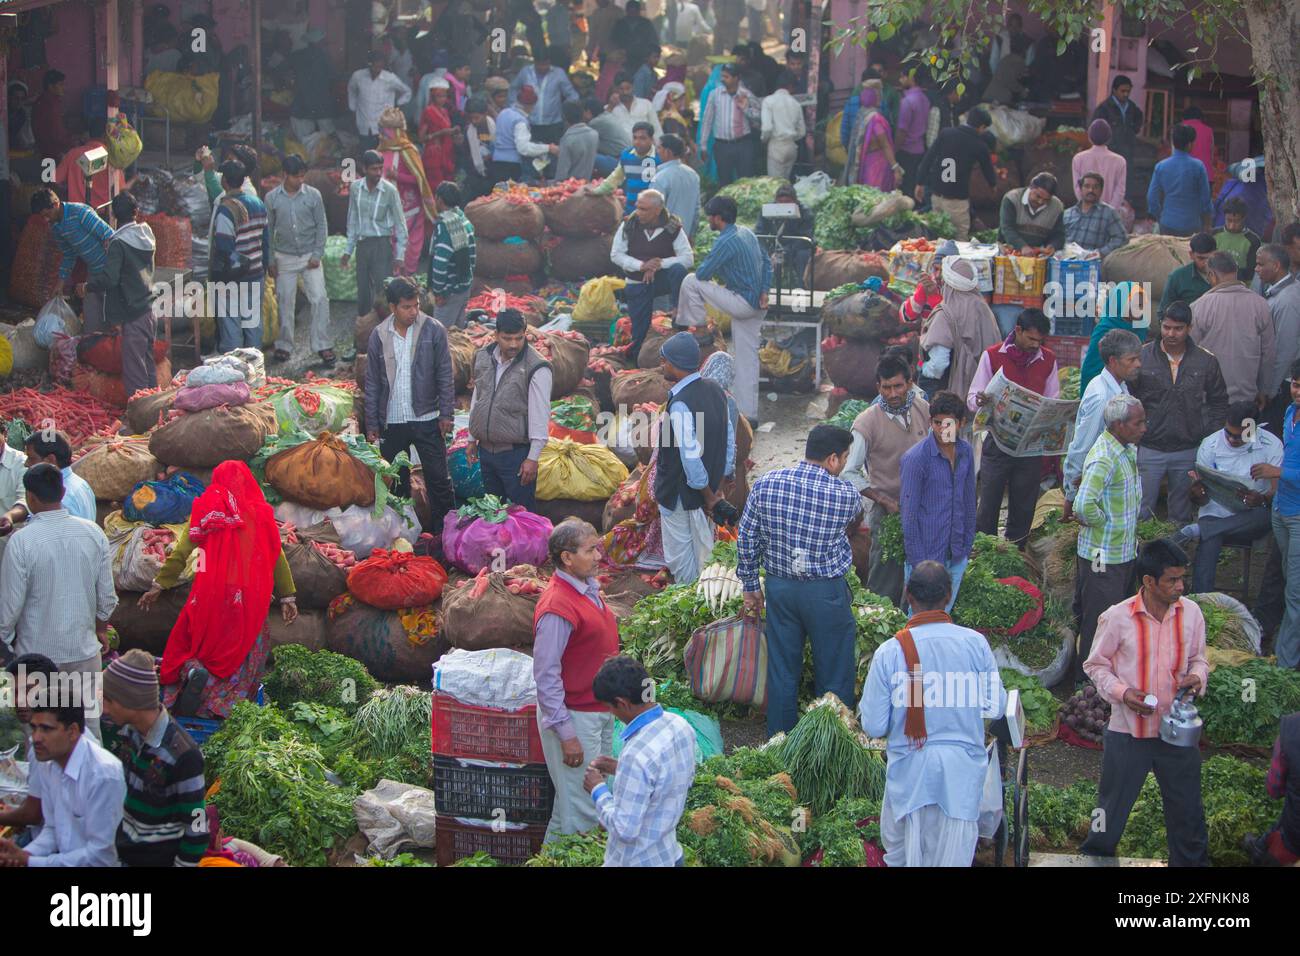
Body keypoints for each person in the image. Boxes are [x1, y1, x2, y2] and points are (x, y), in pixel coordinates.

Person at [860, 560, 1006, 867]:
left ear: (908, 595)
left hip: (909, 779)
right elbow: (995, 706)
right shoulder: (976, 644)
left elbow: (872, 726)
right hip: (961, 779)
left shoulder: (890, 651)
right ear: (948, 595)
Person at [1081, 538, 1209, 865]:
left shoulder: (1192, 614)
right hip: (1128, 732)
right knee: (1110, 810)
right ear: (1149, 581)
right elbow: (1095, 665)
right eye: (1172, 580)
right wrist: (1123, 693)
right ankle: (1095, 857)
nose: (1180, 586)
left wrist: (1197, 678)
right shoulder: (1117, 617)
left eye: (1183, 579)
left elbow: (1200, 660)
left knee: (1187, 812)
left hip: (1176, 733)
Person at [138, 462, 297, 718]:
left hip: (209, 595)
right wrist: (288, 596)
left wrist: (159, 584)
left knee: (195, 642)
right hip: (247, 598)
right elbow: (276, 556)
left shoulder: (207, 509)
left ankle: (192, 678)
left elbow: (182, 551)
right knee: (243, 648)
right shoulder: (261, 514)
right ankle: (221, 706)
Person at [738, 424, 862, 734]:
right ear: (833, 459)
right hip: (825, 593)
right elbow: (853, 521)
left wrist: (751, 586)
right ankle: (830, 742)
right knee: (834, 670)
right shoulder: (845, 494)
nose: (844, 464)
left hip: (781, 590)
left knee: (782, 669)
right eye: (845, 458)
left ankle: (780, 743)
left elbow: (747, 537)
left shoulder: (766, 484)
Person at [0, 465, 116, 741]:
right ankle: (91, 782)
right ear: (63, 492)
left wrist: (5, 644)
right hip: (83, 652)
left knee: (40, 734)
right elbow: (107, 597)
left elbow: (9, 608)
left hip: (36, 658)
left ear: (30, 497)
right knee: (87, 729)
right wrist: (100, 628)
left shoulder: (21, 542)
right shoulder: (93, 533)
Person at [533, 520, 620, 840]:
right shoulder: (558, 605)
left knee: (572, 806)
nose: (599, 556)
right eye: (590, 550)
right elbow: (545, 673)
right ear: (567, 558)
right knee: (584, 808)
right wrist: (565, 732)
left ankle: (549, 861)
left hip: (597, 711)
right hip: (575, 716)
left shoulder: (587, 589)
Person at [582, 655, 696, 866]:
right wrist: (621, 769)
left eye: (610, 707)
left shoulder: (636, 754)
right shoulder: (680, 725)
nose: (612, 714)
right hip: (670, 855)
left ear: (622, 703)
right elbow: (670, 779)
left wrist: (598, 790)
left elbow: (625, 829)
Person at [362, 277, 457, 530]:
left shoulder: (433, 330)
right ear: (393, 307)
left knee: (438, 478)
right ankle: (405, 532)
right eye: (406, 307)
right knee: (397, 480)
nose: (413, 312)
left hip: (426, 417)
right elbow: (372, 382)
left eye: (416, 305)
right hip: (392, 421)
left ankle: (445, 532)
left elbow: (445, 375)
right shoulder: (379, 335)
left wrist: (446, 413)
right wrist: (372, 422)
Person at [100, 649, 207, 867]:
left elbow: (197, 829)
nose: (104, 709)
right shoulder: (130, 734)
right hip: (123, 853)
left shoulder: (184, 756)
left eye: (108, 701)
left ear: (129, 702)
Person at [1129, 301, 1227, 526]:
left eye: (1178, 328)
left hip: (1188, 448)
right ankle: (1138, 557)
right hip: (1149, 446)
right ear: (1160, 326)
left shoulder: (1206, 361)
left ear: (1189, 328)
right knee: (1140, 510)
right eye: (1166, 327)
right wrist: (1134, 438)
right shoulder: (1142, 357)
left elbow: (1219, 402)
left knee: (1181, 514)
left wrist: (1208, 438)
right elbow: (1128, 398)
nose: (1171, 333)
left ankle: (1177, 557)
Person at [676, 196, 771, 423]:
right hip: (758, 303)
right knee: (747, 359)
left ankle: (698, 326)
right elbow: (767, 262)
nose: (709, 220)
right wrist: (764, 290)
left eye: (710, 216)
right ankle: (748, 415)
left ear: (718, 218)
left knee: (690, 280)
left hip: (743, 303)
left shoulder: (725, 240)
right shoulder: (747, 232)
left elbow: (703, 274)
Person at [968, 309, 1058, 546]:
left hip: (1030, 447)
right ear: (1017, 331)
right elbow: (972, 396)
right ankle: (985, 549)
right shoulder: (992, 356)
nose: (1035, 345)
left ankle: (1017, 551)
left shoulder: (1048, 359)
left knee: (1024, 504)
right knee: (988, 502)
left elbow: (1053, 398)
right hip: (997, 443)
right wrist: (979, 400)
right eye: (1031, 339)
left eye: (1040, 341)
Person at [1072, 394, 1145, 683]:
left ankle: (1106, 676)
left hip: (1123, 552)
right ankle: (1086, 682)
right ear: (1118, 425)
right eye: (1138, 423)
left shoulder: (1125, 450)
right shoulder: (1104, 456)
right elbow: (1082, 505)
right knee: (1098, 621)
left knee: (1115, 618)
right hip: (1103, 556)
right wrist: (1106, 523)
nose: (1144, 428)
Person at [0, 701, 125, 867]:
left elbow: (100, 857)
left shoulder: (103, 774)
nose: (35, 737)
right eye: (34, 728)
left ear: (72, 731)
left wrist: (29, 860)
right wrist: (21, 855)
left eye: (46, 729)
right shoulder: (48, 763)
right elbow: (53, 830)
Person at [852, 355, 932, 605]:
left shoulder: (925, 409)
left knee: (922, 572)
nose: (893, 393)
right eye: (886, 387)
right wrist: (882, 499)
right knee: (885, 575)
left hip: (923, 507)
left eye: (898, 386)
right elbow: (848, 472)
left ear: (909, 383)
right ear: (878, 387)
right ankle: (879, 624)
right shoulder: (866, 422)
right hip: (888, 511)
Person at [1180, 401, 1282, 594]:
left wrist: (1261, 499)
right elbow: (1202, 500)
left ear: (1253, 428)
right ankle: (1202, 601)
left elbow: (1276, 494)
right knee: (1211, 537)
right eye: (1229, 433)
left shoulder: (1271, 445)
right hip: (1215, 513)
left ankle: (1200, 530)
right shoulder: (1210, 444)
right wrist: (1197, 494)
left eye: (1239, 435)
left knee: (1265, 516)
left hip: (1252, 517)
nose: (1233, 439)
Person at [654, 332, 730, 585]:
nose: (661, 365)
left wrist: (707, 495)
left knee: (682, 560)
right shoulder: (716, 390)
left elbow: (690, 457)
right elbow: (729, 440)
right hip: (708, 491)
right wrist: (718, 487)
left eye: (663, 361)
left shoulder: (680, 403)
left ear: (674, 364)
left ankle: (689, 603)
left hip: (680, 495)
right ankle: (704, 602)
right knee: (704, 554)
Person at [466, 309, 554, 510]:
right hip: (487, 452)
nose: (513, 344)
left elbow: (540, 415)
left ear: (525, 334)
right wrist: (472, 438)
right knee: (493, 514)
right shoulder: (482, 357)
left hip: (516, 456)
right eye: (507, 338)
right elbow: (478, 397)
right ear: (495, 335)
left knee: (520, 516)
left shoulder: (537, 367)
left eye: (519, 338)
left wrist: (532, 458)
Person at [75, 192, 159, 398]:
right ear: (136, 212)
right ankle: (156, 409)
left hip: (132, 314)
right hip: (149, 309)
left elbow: (110, 279)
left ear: (113, 216)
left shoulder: (118, 243)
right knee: (147, 363)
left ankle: (139, 415)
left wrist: (87, 287)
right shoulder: (146, 234)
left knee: (134, 370)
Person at [899, 392, 976, 613]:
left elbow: (970, 501)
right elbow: (909, 517)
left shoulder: (966, 453)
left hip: (957, 553)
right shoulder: (915, 459)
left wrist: (966, 545)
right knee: (918, 623)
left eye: (949, 423)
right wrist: (919, 566)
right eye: (937, 423)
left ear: (962, 423)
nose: (942, 429)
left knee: (943, 617)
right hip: (925, 558)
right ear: (930, 422)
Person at [1064, 329, 1142, 513]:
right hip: (1099, 485)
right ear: (1114, 361)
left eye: (1138, 358)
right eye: (1132, 360)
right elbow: (1082, 446)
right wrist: (1071, 494)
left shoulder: (1119, 386)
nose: (1138, 364)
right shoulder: (1102, 396)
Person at [264, 156, 331, 367]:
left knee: (319, 298)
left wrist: (317, 254)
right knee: (285, 300)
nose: (300, 180)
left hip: (310, 255)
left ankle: (323, 344)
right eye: (296, 176)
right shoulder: (272, 198)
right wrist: (270, 260)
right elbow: (268, 232)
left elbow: (322, 226)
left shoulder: (313, 196)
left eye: (303, 175)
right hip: (284, 257)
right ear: (285, 174)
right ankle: (284, 345)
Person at [611, 189, 693, 359]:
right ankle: (636, 361)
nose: (638, 212)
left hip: (661, 280)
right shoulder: (629, 224)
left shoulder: (672, 226)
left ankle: (678, 312)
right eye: (638, 207)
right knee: (639, 333)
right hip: (637, 281)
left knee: (679, 270)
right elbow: (616, 255)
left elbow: (687, 259)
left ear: (657, 210)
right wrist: (642, 265)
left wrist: (658, 264)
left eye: (644, 209)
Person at [1190, 251, 1274, 406]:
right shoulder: (1260, 304)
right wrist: (1264, 390)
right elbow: (1268, 354)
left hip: (1210, 399)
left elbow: (1189, 355)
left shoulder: (1199, 307)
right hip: (1247, 398)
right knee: (1246, 431)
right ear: (1236, 271)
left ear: (1211, 275)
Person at [917, 258, 1002, 402]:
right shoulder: (983, 308)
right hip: (981, 388)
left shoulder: (946, 312)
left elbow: (938, 364)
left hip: (948, 389)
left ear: (948, 282)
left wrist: (924, 371)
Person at [30, 188, 113, 334]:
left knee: (113, 323)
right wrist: (60, 284)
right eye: (43, 216)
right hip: (93, 273)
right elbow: (69, 255)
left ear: (55, 204)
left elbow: (109, 236)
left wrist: (112, 272)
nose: (46, 220)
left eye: (47, 214)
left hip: (110, 272)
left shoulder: (80, 213)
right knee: (92, 325)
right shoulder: (55, 227)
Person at [1262, 362, 1300, 668]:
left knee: (1296, 594)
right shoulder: (1289, 414)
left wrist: (1278, 472)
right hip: (1281, 510)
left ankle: (1286, 666)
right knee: (1290, 584)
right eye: (1295, 385)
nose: (1298, 392)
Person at [210, 162, 270, 352]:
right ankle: (256, 370)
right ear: (244, 180)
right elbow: (265, 242)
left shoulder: (226, 210)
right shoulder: (258, 203)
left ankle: (234, 373)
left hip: (232, 279)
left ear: (224, 182)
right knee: (253, 324)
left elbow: (224, 249)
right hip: (256, 273)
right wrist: (264, 269)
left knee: (231, 326)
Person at [341, 150, 408, 318]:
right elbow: (353, 220)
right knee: (363, 291)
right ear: (364, 169)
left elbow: (401, 224)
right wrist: (348, 250)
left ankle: (386, 331)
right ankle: (363, 332)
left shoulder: (390, 191)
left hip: (381, 245)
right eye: (374, 169)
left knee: (383, 291)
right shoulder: (356, 188)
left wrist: (400, 255)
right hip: (363, 245)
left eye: (380, 168)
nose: (378, 173)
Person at [914, 108, 997, 242]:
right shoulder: (979, 145)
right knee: (960, 238)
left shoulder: (946, 133)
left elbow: (928, 158)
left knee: (937, 235)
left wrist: (920, 182)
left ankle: (937, 262)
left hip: (937, 195)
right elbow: (988, 168)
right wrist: (993, 185)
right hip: (957, 200)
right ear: (981, 127)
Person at [378, 108, 437, 279]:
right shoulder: (380, 150)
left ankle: (407, 278)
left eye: (386, 130)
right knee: (392, 248)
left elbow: (419, 179)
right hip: (387, 210)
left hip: (410, 210)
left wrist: (398, 176)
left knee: (410, 250)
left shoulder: (409, 150)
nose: (382, 134)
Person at [0, 431, 96, 524]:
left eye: (31, 458)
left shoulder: (56, 499)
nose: (26, 464)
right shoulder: (81, 484)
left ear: (50, 459)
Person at [1245, 711, 1300, 864]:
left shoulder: (1292, 727)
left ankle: (1258, 850)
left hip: (1294, 839)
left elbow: (1274, 789)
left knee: (1268, 850)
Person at [1258, 244, 1300, 435]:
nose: (1256, 269)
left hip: (1283, 385)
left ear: (1275, 266)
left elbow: (1285, 350)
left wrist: (1270, 390)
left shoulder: (1287, 300)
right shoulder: (1279, 293)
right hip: (1279, 382)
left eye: (1260, 264)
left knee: (1272, 433)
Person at [698, 63, 759, 186]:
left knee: (745, 182)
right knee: (724, 182)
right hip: (722, 146)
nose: (722, 79)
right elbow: (707, 120)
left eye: (726, 77)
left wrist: (746, 108)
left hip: (743, 144)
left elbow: (759, 116)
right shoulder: (715, 94)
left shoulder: (746, 94)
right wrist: (703, 145)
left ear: (736, 78)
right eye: (722, 76)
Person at [1147, 124, 1212, 238]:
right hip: (1192, 224)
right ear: (1189, 144)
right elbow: (1205, 200)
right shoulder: (1198, 166)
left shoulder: (1161, 166)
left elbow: (1152, 197)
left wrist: (1159, 216)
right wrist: (1207, 223)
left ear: (1173, 143)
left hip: (1167, 223)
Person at [428, 182, 477, 329]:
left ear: (439, 200)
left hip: (449, 293)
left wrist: (439, 291)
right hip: (463, 287)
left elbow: (440, 263)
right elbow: (472, 257)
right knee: (458, 335)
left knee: (441, 337)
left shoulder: (445, 226)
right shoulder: (464, 220)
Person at [510, 45, 581, 146]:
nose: (543, 67)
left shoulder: (559, 73)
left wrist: (567, 112)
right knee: (530, 154)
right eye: (540, 64)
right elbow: (513, 89)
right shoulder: (525, 72)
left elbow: (572, 95)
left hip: (553, 125)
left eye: (546, 64)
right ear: (535, 62)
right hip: (529, 123)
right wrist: (514, 108)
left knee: (551, 156)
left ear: (550, 62)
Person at [55, 116, 126, 210]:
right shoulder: (112, 158)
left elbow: (54, 181)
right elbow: (120, 191)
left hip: (75, 214)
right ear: (106, 135)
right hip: (102, 217)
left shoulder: (73, 154)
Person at [491, 85, 558, 183]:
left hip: (497, 161)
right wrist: (548, 148)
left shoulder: (503, 113)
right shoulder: (520, 121)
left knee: (500, 193)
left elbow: (494, 137)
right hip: (512, 166)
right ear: (529, 105)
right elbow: (523, 148)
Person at [842, 77, 900, 190]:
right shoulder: (876, 119)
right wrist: (895, 167)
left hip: (865, 162)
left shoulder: (862, 114)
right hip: (877, 164)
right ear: (877, 97)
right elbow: (884, 144)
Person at [348, 49, 413, 151]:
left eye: (380, 67)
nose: (377, 70)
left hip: (383, 125)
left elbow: (407, 91)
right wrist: (353, 107)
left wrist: (398, 103)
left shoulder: (390, 79)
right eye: (375, 66)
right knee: (366, 154)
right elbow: (351, 90)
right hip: (364, 123)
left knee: (382, 155)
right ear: (369, 64)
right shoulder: (358, 76)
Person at [592, 121, 660, 215]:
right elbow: (615, 178)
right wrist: (596, 192)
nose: (637, 142)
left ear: (651, 139)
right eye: (635, 138)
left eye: (642, 138)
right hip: (630, 210)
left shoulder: (659, 158)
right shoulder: (626, 155)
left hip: (651, 212)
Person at [1090, 75, 1142, 197]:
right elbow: (1095, 126)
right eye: (1122, 91)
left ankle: (1126, 203)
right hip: (1111, 149)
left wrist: (1134, 130)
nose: (1125, 94)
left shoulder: (1131, 106)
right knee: (1108, 178)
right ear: (1114, 90)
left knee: (1126, 178)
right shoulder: (1104, 108)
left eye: (1128, 91)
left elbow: (1139, 117)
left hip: (1128, 149)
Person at [998, 171, 1065, 254]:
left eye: (1046, 200)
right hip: (1009, 252)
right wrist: (1022, 246)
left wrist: (1053, 246)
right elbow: (1007, 228)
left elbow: (1058, 235)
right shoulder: (1012, 198)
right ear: (1031, 186)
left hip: (1037, 256)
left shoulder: (1057, 207)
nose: (1040, 201)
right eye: (1038, 196)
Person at [1064, 172, 1128, 258]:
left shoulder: (1109, 213)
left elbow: (1122, 238)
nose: (1091, 190)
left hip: (1092, 265)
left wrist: (1101, 253)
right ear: (1080, 189)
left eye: (1095, 187)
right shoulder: (1068, 214)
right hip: (1066, 264)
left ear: (1101, 190)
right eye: (1087, 186)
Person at [288, 27, 336, 140]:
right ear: (319, 42)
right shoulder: (324, 57)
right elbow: (333, 76)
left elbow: (285, 72)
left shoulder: (297, 55)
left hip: (302, 104)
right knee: (328, 138)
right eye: (323, 41)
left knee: (305, 140)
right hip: (320, 103)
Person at [1072, 119, 1129, 215]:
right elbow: (1120, 191)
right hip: (1110, 214)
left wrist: (1087, 207)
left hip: (1086, 211)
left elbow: (1078, 188)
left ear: (1089, 137)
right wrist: (1110, 211)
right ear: (1109, 138)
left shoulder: (1078, 158)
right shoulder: (1120, 161)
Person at [651, 134, 700, 237]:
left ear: (668, 152)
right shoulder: (693, 175)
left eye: (659, 148)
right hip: (684, 237)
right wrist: (691, 236)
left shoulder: (661, 178)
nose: (657, 152)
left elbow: (653, 212)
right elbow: (696, 210)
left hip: (663, 238)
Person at [1157, 231, 1216, 316]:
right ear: (1191, 255)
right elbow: (1163, 311)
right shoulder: (1178, 277)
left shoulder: (1224, 276)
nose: (1206, 263)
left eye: (1209, 258)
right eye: (1201, 258)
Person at [760, 75, 804, 180]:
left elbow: (766, 128)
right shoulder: (796, 104)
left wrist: (764, 140)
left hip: (776, 145)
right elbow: (802, 132)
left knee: (774, 183)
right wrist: (790, 137)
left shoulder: (768, 101)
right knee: (786, 181)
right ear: (791, 87)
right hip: (791, 147)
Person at [419, 80, 458, 196]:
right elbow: (421, 138)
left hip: (447, 152)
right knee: (435, 187)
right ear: (433, 96)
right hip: (434, 153)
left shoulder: (445, 111)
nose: (442, 99)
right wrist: (441, 133)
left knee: (447, 184)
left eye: (444, 96)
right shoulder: (428, 111)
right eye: (439, 96)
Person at [1214, 196, 1262, 281]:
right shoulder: (1214, 235)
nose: (1232, 226)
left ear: (1244, 218)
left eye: (1236, 221)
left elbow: (1251, 271)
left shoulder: (1252, 240)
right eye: (1229, 220)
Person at [459, 95, 497, 200]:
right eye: (471, 118)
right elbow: (466, 156)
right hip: (477, 176)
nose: (473, 121)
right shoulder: (468, 132)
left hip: (496, 174)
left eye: (476, 118)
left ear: (485, 114)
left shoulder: (496, 126)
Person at [32, 70, 75, 161]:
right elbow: (56, 132)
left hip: (48, 150)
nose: (64, 88)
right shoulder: (48, 104)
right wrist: (71, 142)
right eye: (60, 85)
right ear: (50, 86)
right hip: (52, 152)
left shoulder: (48, 101)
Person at [608, 72, 664, 142]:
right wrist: (610, 107)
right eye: (621, 89)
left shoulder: (646, 104)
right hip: (620, 150)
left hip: (645, 149)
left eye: (628, 88)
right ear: (616, 89)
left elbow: (657, 130)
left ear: (633, 87)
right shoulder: (610, 109)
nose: (625, 92)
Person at [555, 99, 599, 180]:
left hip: (570, 187)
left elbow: (561, 174)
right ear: (583, 114)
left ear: (564, 117)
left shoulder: (567, 140)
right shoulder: (594, 134)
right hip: (586, 184)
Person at [981, 32, 1030, 105]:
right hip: (1000, 98)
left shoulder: (1006, 58)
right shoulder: (1019, 62)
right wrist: (1022, 90)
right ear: (1024, 49)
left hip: (989, 94)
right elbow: (1010, 81)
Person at [588, 95, 633, 175]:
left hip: (619, 161)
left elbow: (585, 141)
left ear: (588, 112)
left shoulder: (596, 122)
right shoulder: (607, 115)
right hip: (627, 158)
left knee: (588, 157)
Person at [611, 1, 661, 69]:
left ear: (639, 11)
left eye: (635, 11)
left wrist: (650, 56)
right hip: (624, 60)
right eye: (630, 11)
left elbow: (654, 41)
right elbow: (614, 39)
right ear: (626, 11)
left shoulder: (646, 24)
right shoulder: (620, 24)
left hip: (642, 59)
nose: (632, 14)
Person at [1180, 106, 1215, 179]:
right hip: (1206, 175)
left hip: (1184, 175)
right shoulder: (1209, 130)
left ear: (1184, 117)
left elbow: (1174, 155)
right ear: (1200, 118)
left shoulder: (1179, 129)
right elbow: (1211, 156)